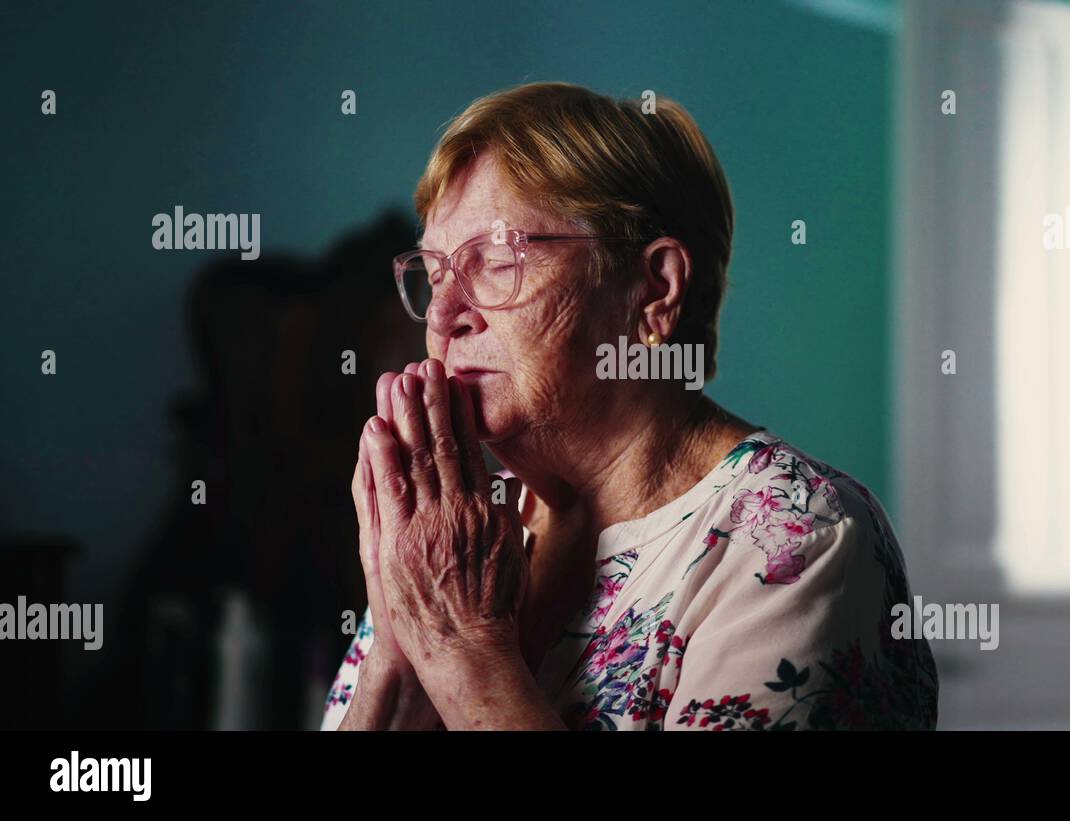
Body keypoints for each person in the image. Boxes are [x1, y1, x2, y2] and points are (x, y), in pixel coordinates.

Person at [321, 82, 937, 730]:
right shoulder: (451, 532)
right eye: (435, 273)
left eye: (496, 261)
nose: (443, 315)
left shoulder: (802, 540)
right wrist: (397, 649)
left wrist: (458, 646)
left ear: (654, 288)